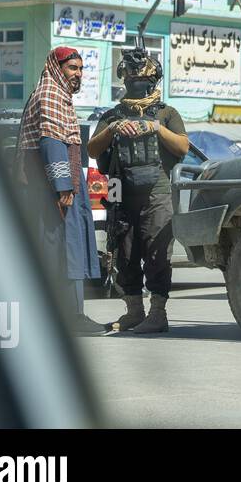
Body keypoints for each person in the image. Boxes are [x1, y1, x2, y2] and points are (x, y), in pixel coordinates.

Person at [89, 46, 189, 334]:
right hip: (121, 190)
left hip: (157, 191)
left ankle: (158, 314)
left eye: (141, 79)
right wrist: (114, 128)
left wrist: (154, 128)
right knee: (125, 251)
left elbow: (182, 147)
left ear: (153, 79)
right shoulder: (113, 115)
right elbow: (93, 148)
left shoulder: (167, 113)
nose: (135, 84)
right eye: (131, 79)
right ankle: (134, 311)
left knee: (157, 251)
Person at [16, 46, 104, 335]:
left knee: (66, 250)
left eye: (80, 69)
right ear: (57, 68)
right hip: (52, 190)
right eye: (72, 68)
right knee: (63, 251)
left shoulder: (56, 93)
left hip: (57, 188)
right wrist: (63, 188)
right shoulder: (51, 93)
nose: (78, 74)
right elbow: (52, 144)